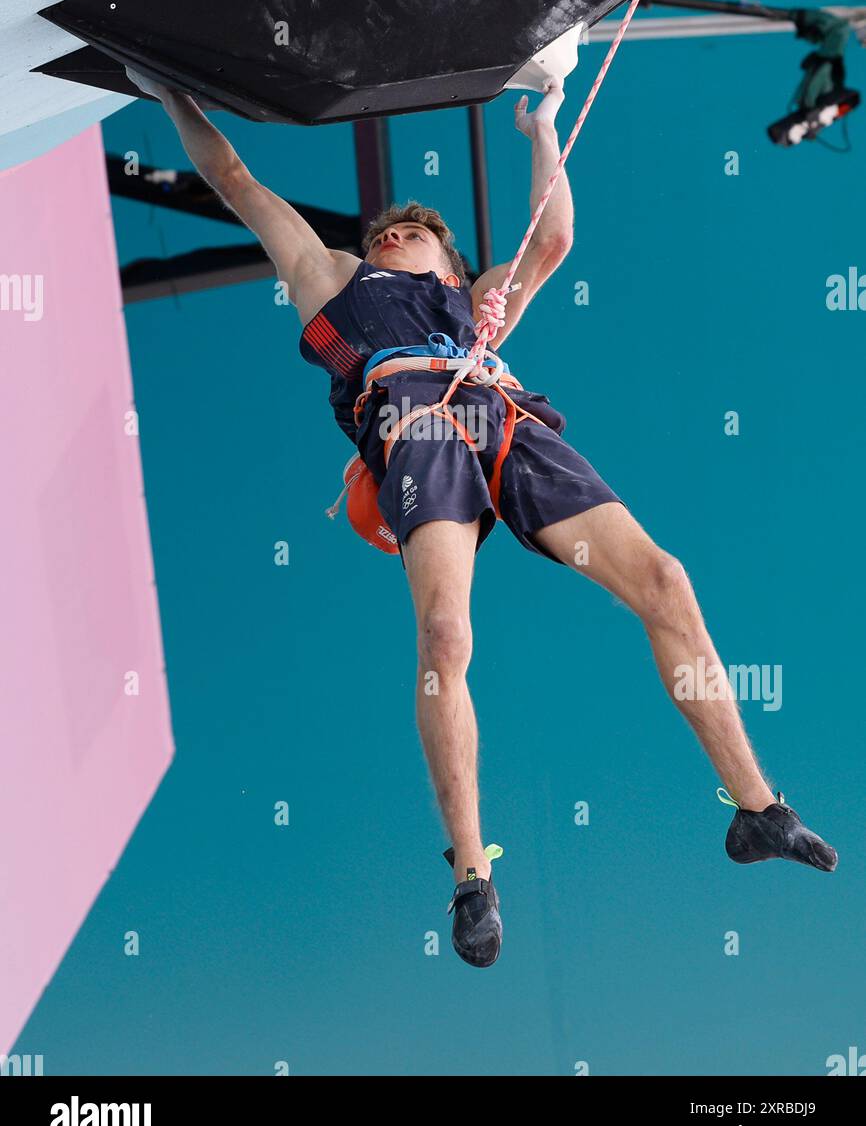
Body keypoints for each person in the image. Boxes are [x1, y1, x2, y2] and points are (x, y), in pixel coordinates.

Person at [127, 66, 838, 969]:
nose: (393, 230)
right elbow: (236, 181)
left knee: (666, 582)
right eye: (385, 228)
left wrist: (544, 125)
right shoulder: (334, 282)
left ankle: (757, 809)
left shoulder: (477, 307)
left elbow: (557, 236)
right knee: (445, 636)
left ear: (451, 261)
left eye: (416, 229)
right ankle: (471, 872)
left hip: (502, 420)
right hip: (418, 424)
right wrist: (167, 89)